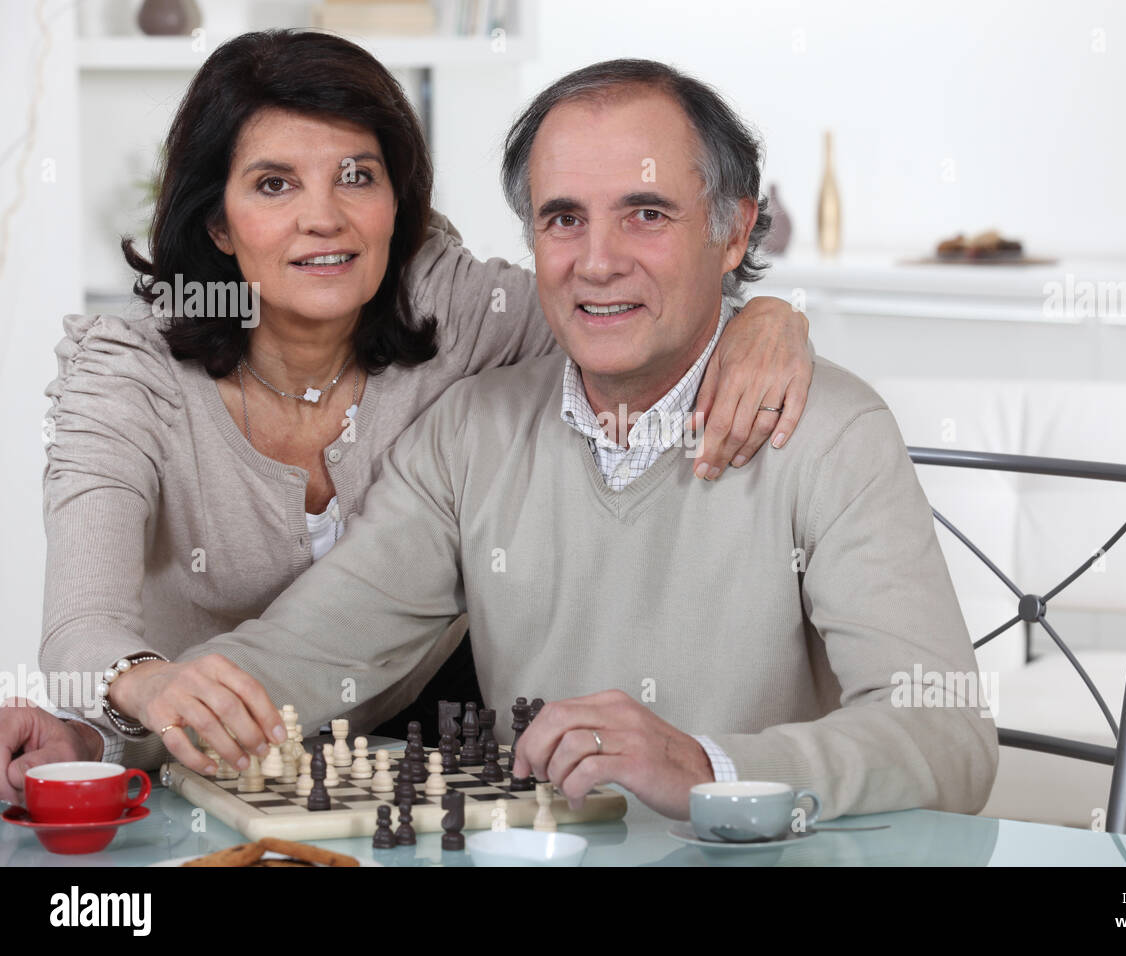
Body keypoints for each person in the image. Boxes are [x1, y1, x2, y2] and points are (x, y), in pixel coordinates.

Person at [103, 58, 998, 822]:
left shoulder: (831, 431)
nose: (597, 260)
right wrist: (108, 722)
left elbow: (946, 737)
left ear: (732, 230)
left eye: (646, 213)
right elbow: (310, 653)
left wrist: (708, 768)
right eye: (564, 217)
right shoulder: (470, 431)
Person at [0, 34, 815, 805]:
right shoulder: (126, 370)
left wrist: (764, 313)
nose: (324, 218)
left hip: (426, 731)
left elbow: (623, 311)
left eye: (357, 175)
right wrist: (135, 695)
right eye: (274, 184)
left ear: (398, 199)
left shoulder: (457, 307)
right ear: (219, 222)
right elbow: (82, 627)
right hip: (198, 742)